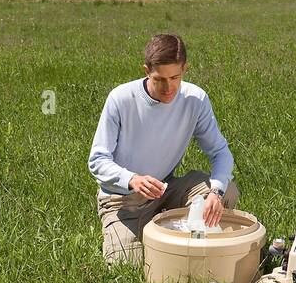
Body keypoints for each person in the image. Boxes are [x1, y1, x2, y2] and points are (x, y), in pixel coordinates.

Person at [89, 32, 239, 264]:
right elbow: (97, 160)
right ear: (146, 70)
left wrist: (216, 193)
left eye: (175, 78)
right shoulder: (120, 99)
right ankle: (157, 231)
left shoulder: (195, 99)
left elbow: (220, 152)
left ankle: (182, 236)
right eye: (159, 79)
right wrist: (132, 179)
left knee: (227, 190)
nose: (168, 87)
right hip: (122, 200)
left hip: (165, 189)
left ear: (184, 69)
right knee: (127, 268)